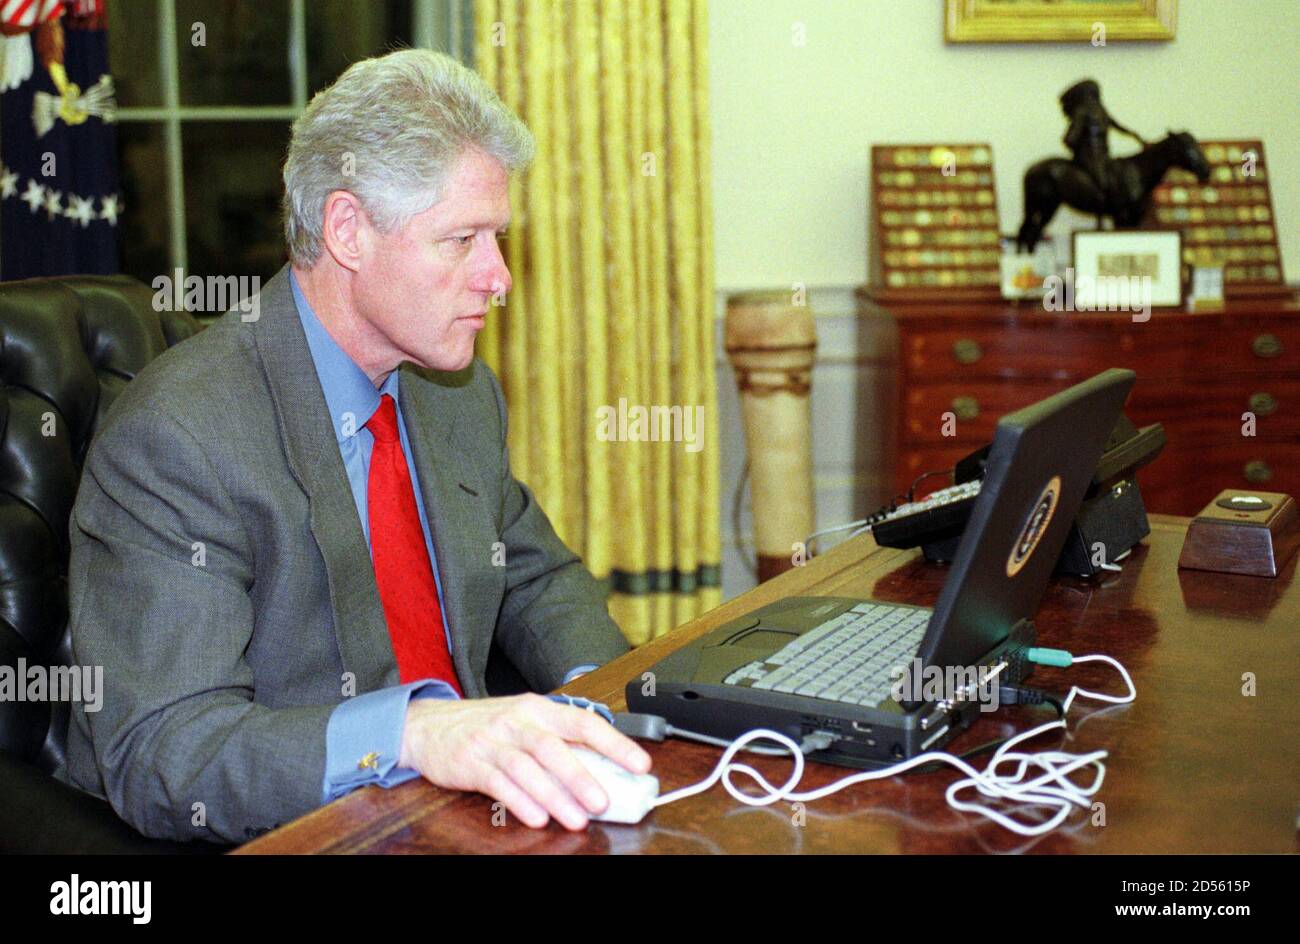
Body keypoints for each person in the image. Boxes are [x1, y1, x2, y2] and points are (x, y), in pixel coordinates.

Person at [63, 48, 650, 844]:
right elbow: (164, 750)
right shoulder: (178, 436)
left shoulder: (458, 393)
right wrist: (412, 735)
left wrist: (603, 706)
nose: (500, 276)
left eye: (498, 236)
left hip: (476, 814)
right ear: (347, 230)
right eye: (462, 239)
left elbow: (534, 575)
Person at [1059, 78, 1146, 204]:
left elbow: (1117, 125)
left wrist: (1135, 136)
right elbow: (1071, 137)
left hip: (1104, 155)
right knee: (1103, 182)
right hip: (1089, 157)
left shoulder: (1101, 111)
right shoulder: (1081, 112)